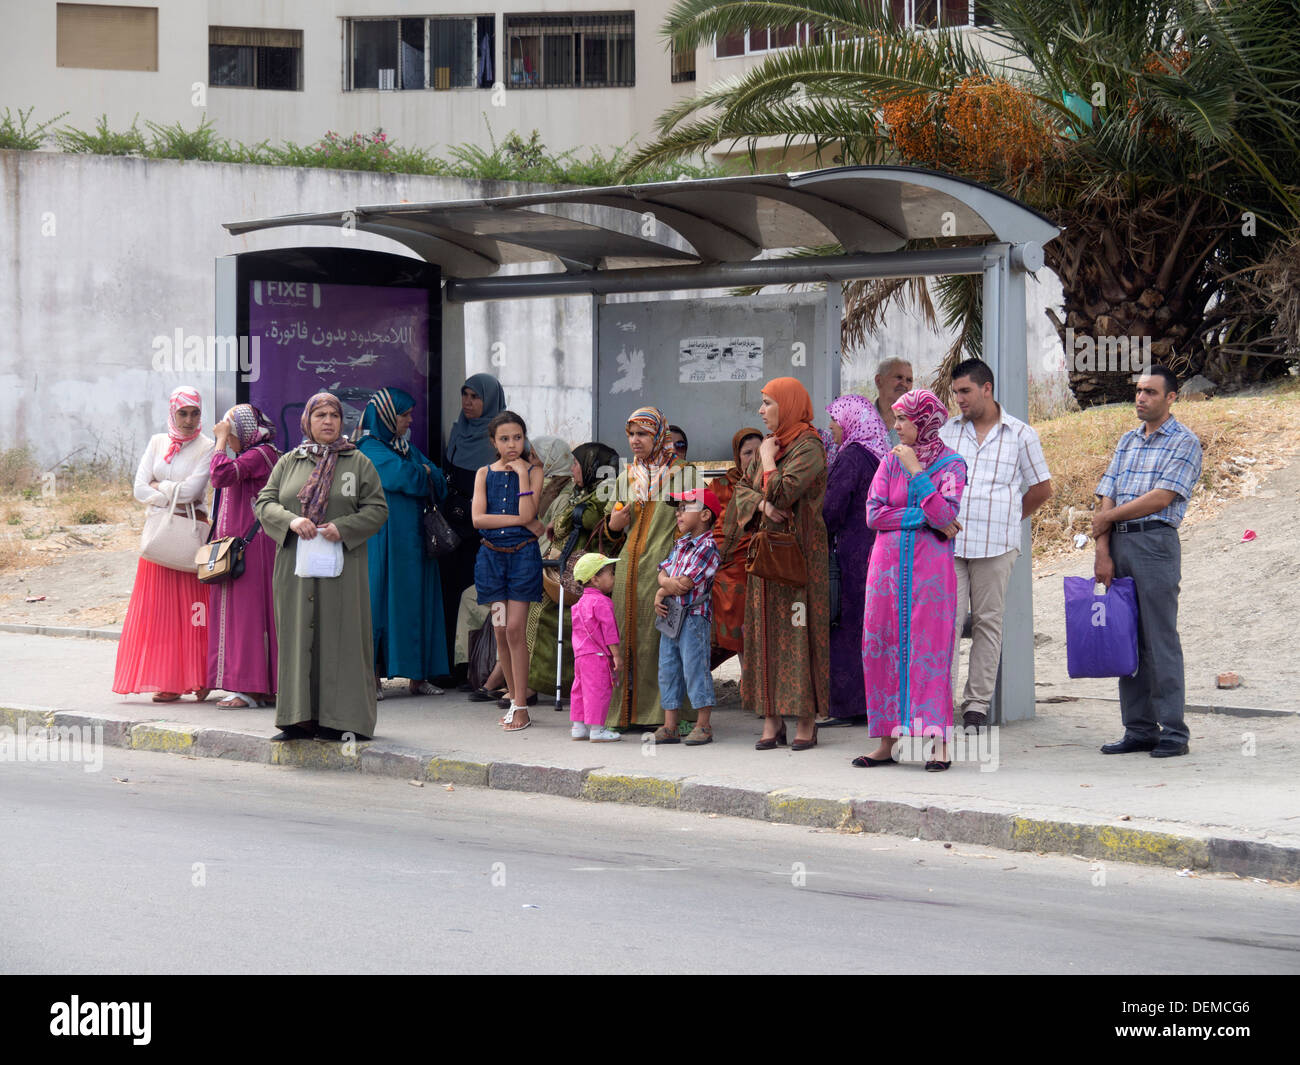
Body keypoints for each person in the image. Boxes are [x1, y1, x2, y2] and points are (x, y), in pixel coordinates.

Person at [254, 392, 389, 742]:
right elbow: (264, 502)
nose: (328, 421)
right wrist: (291, 521)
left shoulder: (358, 462)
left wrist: (342, 528)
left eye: (334, 415)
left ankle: (342, 720)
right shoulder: (289, 461)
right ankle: (298, 720)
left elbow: (377, 509)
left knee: (341, 638)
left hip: (343, 566)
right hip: (295, 567)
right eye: (320, 415)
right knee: (298, 636)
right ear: (308, 421)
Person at [1092, 367, 1203, 758]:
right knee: (1127, 637)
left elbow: (1163, 497)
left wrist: (1109, 517)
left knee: (1159, 640)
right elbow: (1107, 491)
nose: (1141, 398)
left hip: (1155, 543)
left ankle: (1173, 731)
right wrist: (1102, 550)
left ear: (1170, 398)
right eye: (1138, 391)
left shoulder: (1184, 442)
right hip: (1119, 544)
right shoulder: (1127, 441)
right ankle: (1139, 729)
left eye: (1151, 392)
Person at [940, 359, 1053, 728]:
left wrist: (1009, 516)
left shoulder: (1021, 434)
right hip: (950, 545)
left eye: (965, 391)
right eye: (956, 392)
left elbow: (1041, 488)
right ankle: (939, 702)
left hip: (997, 545)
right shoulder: (947, 433)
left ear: (986, 388)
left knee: (988, 623)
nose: (959, 399)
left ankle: (976, 705)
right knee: (948, 623)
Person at [858, 389, 967, 770]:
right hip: (885, 573)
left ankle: (938, 744)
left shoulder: (953, 465)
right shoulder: (889, 462)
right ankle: (887, 741)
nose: (896, 425)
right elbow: (873, 515)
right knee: (880, 648)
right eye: (896, 418)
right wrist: (922, 517)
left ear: (925, 422)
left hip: (929, 575)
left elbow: (945, 513)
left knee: (930, 652)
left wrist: (918, 474)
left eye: (904, 418)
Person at [730, 378, 830, 752]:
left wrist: (769, 464)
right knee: (765, 631)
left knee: (799, 630)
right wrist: (760, 506)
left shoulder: (808, 446)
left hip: (799, 556)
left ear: (787, 405)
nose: (761, 410)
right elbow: (743, 489)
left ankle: (806, 719)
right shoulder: (771, 444)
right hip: (766, 557)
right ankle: (772, 718)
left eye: (768, 403)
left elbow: (785, 491)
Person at [114, 385, 215, 702]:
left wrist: (161, 487)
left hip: (188, 535)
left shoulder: (207, 447)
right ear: (172, 412)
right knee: (161, 613)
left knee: (194, 610)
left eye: (194, 413)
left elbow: (192, 492)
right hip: (160, 536)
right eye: (182, 413)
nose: (188, 420)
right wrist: (167, 491)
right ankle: (169, 681)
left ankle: (201, 678)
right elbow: (139, 488)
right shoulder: (158, 442)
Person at [603, 406, 697, 730]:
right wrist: (614, 525)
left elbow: (696, 524)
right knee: (626, 640)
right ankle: (626, 714)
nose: (635, 441)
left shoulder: (683, 473)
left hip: (666, 569)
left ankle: (665, 716)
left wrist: (677, 567)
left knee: (663, 643)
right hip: (628, 571)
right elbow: (610, 533)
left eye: (643, 434)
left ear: (659, 436)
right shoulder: (625, 476)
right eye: (631, 434)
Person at [356, 387, 449, 700]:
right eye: (404, 414)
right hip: (383, 543)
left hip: (415, 542)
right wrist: (423, 474)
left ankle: (418, 677)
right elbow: (402, 477)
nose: (410, 420)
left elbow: (438, 477)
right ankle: (371, 678)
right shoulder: (368, 448)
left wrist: (424, 473)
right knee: (379, 608)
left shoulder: (405, 448)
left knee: (418, 604)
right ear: (385, 416)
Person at [527, 442, 619, 706]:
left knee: (548, 616)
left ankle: (536, 686)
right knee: (535, 609)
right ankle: (528, 685)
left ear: (593, 466)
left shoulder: (606, 492)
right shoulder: (584, 492)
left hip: (589, 573)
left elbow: (595, 524)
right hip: (569, 567)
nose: (572, 469)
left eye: (577, 463)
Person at [820, 394, 891, 727]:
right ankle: (873, 701)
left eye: (835, 419)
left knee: (846, 627)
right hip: (877, 550)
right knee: (870, 627)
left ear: (849, 421)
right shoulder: (877, 453)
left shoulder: (850, 457)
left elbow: (830, 509)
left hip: (851, 554)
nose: (832, 426)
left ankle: (849, 706)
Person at [472, 410, 545, 731]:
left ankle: (522, 707)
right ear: (494, 442)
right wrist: (524, 523)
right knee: (500, 628)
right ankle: (514, 701)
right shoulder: (483, 473)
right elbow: (478, 520)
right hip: (492, 561)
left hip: (522, 560)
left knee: (515, 628)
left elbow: (530, 510)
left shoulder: (534, 471)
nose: (512, 444)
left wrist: (524, 478)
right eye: (504, 439)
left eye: (517, 437)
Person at [207, 404, 279, 708]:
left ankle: (251, 688)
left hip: (255, 549)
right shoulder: (252, 455)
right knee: (237, 617)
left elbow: (219, 474)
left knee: (249, 618)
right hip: (237, 550)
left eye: (233, 433)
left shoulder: (263, 454)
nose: (230, 440)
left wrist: (220, 441)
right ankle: (245, 685)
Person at [439, 373, 506, 681]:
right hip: (452, 532)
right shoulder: (457, 431)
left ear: (489, 400)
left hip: (483, 533)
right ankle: (451, 666)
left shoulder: (503, 440)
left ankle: (477, 668)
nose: (468, 402)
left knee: (477, 596)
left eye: (475, 397)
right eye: (465, 395)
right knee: (451, 593)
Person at [653, 488, 723, 745]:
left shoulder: (707, 547)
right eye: (678, 508)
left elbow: (684, 583)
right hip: (671, 616)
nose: (679, 512)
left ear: (705, 514)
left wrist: (662, 589)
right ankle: (670, 724)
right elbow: (663, 570)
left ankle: (703, 724)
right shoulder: (680, 544)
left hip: (693, 617)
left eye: (686, 507)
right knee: (668, 668)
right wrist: (663, 585)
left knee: (695, 668)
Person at [707, 428, 763, 666]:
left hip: (753, 561)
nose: (754, 457)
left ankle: (750, 681)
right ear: (737, 457)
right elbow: (703, 520)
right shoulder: (721, 484)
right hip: (718, 561)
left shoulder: (770, 482)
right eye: (747, 452)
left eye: (760, 451)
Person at [568, 552, 624, 743]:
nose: (613, 577)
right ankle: (597, 730)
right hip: (597, 655)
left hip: (581, 655)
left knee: (579, 689)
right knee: (598, 690)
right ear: (596, 579)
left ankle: (578, 727)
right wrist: (616, 655)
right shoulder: (603, 602)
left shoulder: (578, 605)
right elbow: (610, 633)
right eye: (610, 573)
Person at [530, 435, 576, 530]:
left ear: (550, 462)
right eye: (529, 454)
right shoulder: (533, 482)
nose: (529, 459)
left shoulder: (567, 494)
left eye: (533, 456)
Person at [874, 357, 913, 447]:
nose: (904, 384)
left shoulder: (916, 424)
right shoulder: (860, 420)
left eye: (909, 380)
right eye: (899, 377)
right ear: (879, 381)